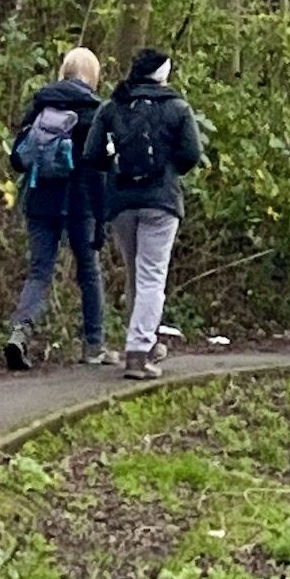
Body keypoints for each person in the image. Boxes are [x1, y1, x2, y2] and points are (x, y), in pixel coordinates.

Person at [83, 48, 203, 381]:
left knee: (136, 273)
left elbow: (91, 154)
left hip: (121, 202)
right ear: (162, 74)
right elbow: (191, 153)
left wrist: (117, 167)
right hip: (161, 202)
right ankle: (138, 352)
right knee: (152, 276)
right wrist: (167, 171)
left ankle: (143, 343)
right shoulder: (176, 107)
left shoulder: (112, 107)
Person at [4, 48, 109, 370]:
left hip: (40, 200)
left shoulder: (40, 105)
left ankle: (20, 333)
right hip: (81, 204)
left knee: (39, 271)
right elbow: (100, 166)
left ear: (63, 71)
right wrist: (103, 216)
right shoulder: (96, 111)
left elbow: (17, 159)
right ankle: (94, 346)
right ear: (93, 75)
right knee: (89, 273)